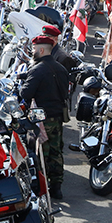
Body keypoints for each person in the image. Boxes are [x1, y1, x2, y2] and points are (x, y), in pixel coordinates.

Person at [19, 35, 69, 200]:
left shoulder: (37, 69)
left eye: (34, 49)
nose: (32, 52)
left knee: (41, 153)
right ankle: (57, 187)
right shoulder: (61, 69)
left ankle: (42, 188)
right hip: (58, 117)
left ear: (41, 50)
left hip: (42, 118)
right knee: (56, 151)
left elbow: (25, 93)